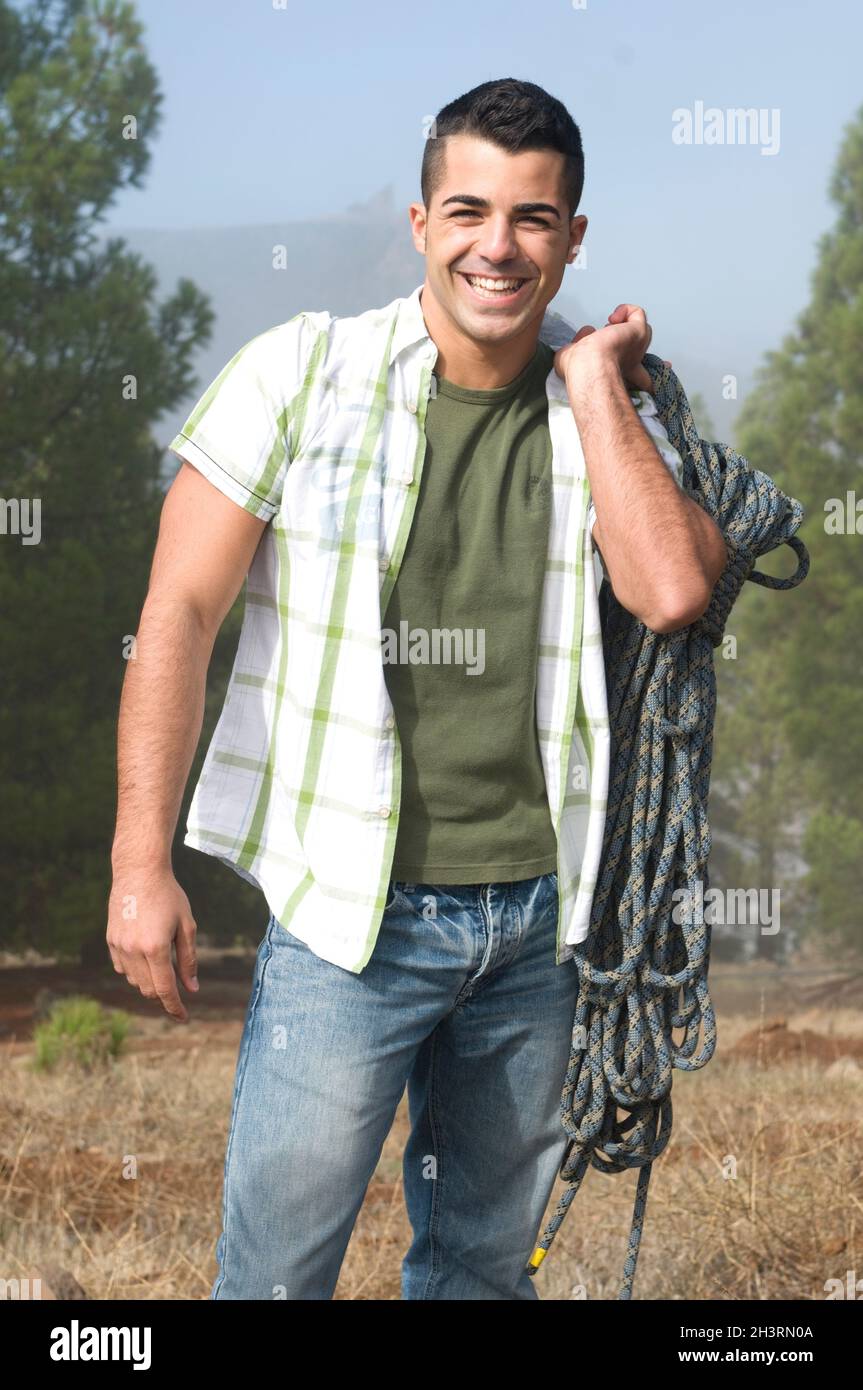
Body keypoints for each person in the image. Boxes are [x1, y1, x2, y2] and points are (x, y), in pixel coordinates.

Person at [107, 77, 727, 1300]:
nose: (497, 245)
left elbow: (669, 590)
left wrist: (595, 378)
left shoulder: (598, 417)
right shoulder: (300, 374)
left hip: (539, 928)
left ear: (572, 238)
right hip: (348, 920)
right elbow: (177, 611)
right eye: (467, 210)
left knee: (481, 1275)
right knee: (278, 1276)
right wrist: (140, 864)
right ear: (418, 224)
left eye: (533, 219)